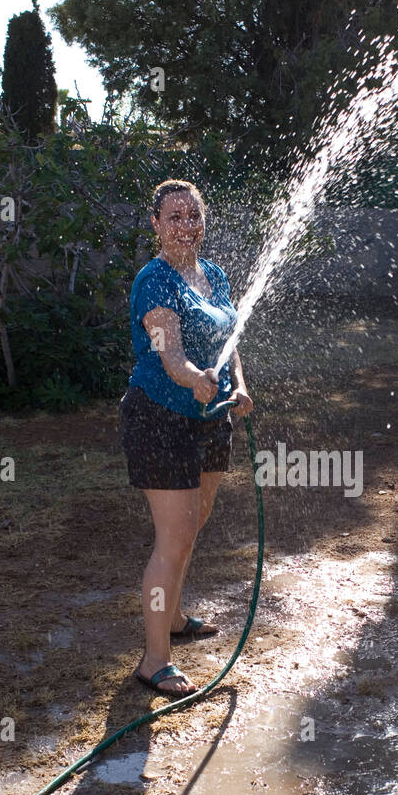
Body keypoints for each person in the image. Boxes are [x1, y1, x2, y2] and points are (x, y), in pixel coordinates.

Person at [120, 179, 253, 700]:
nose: (185, 225)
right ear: (155, 224)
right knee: (172, 539)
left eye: (192, 215)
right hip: (160, 419)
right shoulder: (154, 281)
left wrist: (237, 383)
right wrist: (193, 376)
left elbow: (229, 341)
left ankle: (173, 617)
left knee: (194, 523)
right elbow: (169, 353)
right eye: (173, 216)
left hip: (209, 420)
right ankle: (154, 661)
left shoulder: (213, 275)